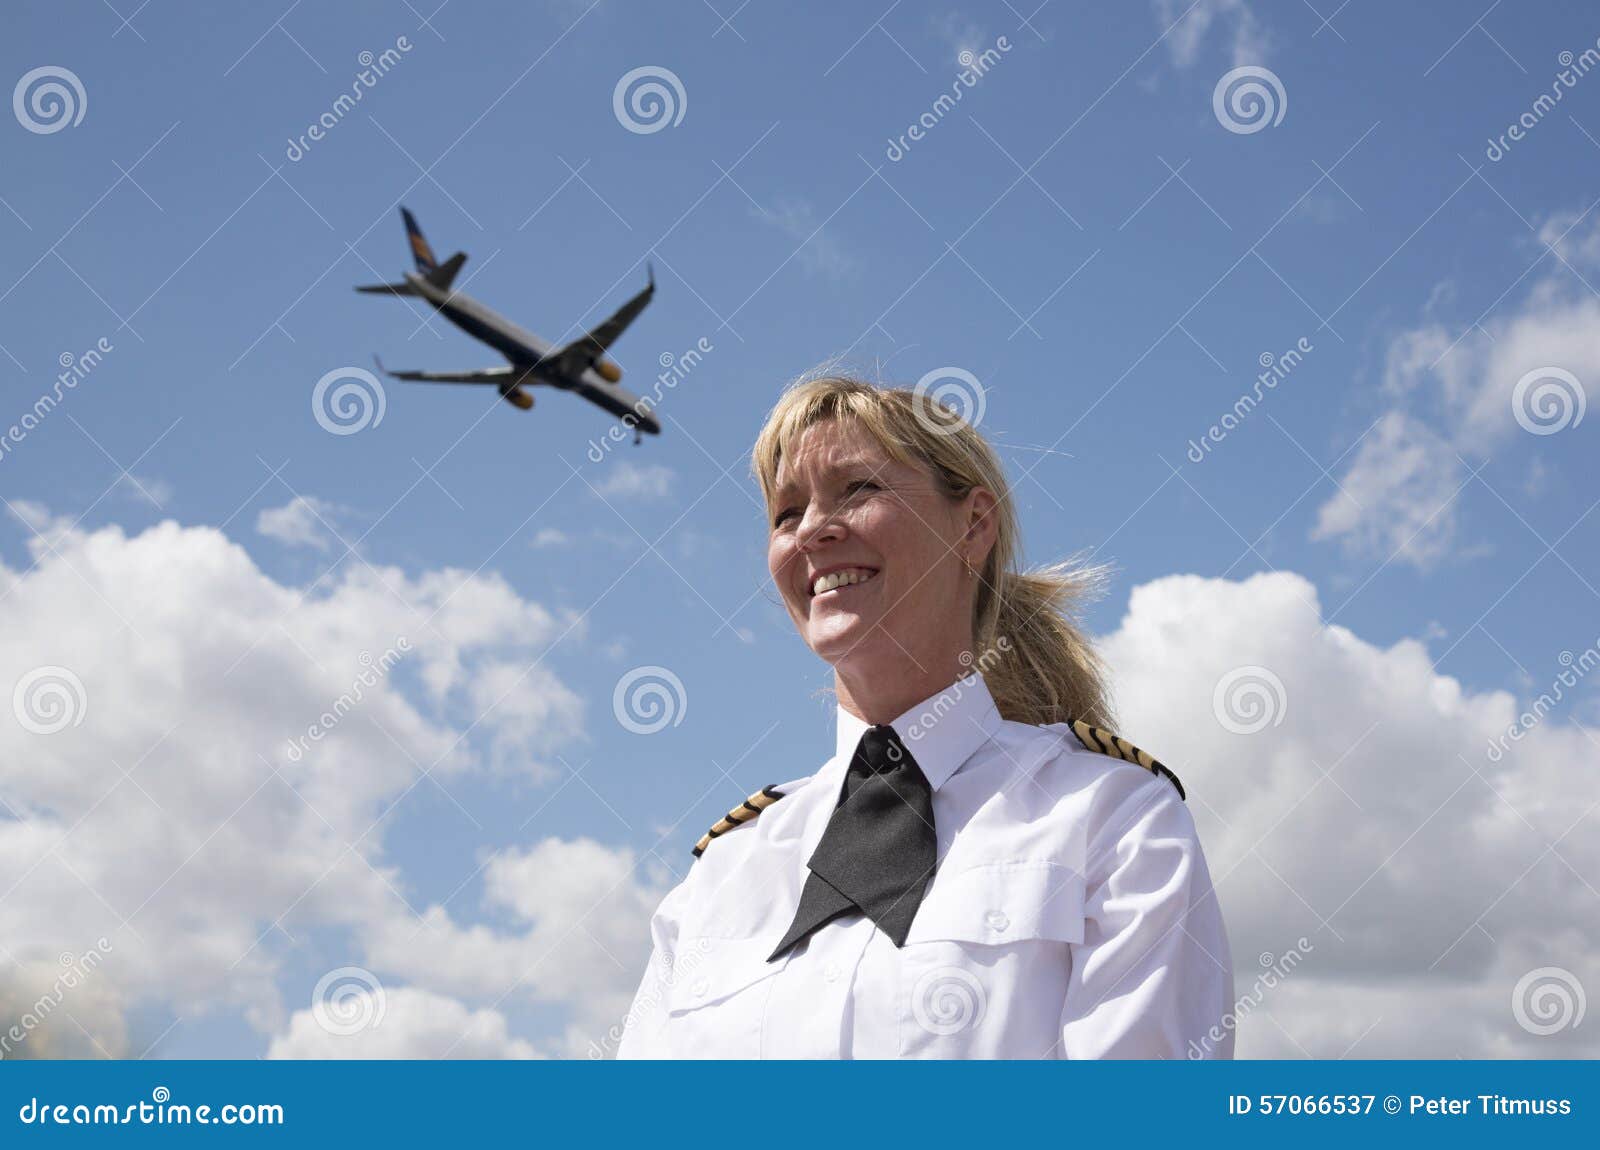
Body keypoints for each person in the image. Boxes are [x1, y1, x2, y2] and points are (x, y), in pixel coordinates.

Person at [615, 374, 1233, 1059]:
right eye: (787, 513)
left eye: (858, 488)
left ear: (973, 525)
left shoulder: (1112, 819)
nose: (813, 529)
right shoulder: (724, 873)